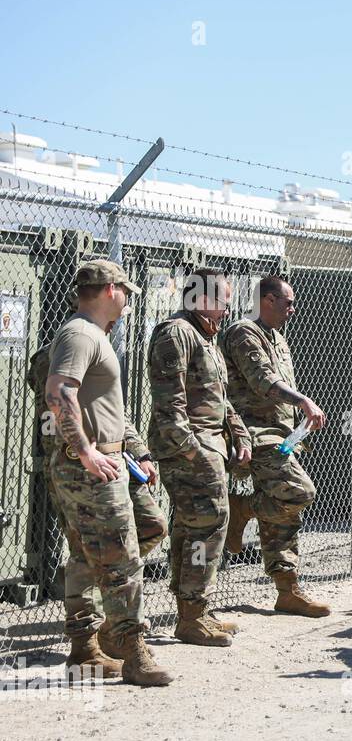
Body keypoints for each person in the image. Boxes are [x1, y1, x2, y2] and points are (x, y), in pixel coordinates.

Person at [42, 259, 172, 686]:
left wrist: (132, 452)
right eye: (126, 292)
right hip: (92, 468)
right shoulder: (80, 333)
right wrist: (84, 452)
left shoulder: (93, 334)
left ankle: (85, 649)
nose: (128, 301)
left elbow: (104, 406)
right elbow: (60, 392)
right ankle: (132, 651)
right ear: (110, 289)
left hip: (110, 462)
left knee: (92, 551)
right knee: (120, 560)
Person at [148, 268, 251, 647]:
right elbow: (169, 406)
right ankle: (191, 615)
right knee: (207, 523)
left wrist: (238, 433)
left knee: (196, 527)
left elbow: (219, 399)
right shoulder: (175, 333)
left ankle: (195, 611)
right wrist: (195, 452)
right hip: (188, 451)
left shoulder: (206, 337)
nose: (228, 308)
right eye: (224, 300)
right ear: (204, 299)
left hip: (209, 446)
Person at [221, 275, 330, 616]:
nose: (292, 310)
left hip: (281, 435)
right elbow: (263, 380)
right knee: (298, 493)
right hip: (254, 433)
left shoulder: (278, 338)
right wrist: (304, 402)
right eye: (287, 303)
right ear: (267, 300)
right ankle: (241, 509)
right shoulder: (244, 333)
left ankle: (287, 590)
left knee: (285, 513)